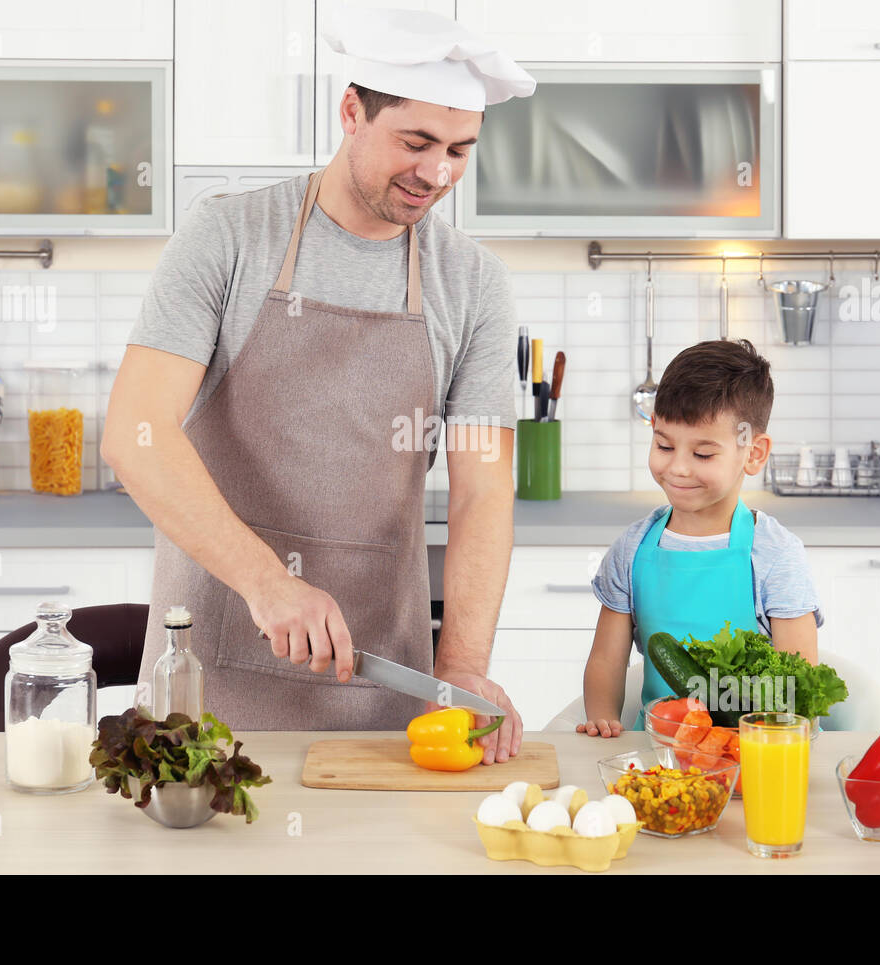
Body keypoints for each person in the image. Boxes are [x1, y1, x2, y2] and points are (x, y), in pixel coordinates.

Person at [102, 7, 534, 762]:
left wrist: (461, 669)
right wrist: (268, 583)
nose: (437, 173)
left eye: (460, 150)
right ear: (350, 113)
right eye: (416, 142)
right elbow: (137, 435)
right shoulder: (229, 236)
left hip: (385, 695)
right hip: (210, 683)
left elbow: (482, 491)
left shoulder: (474, 283)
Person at [578, 338, 824, 736]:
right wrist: (602, 719)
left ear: (754, 453)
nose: (677, 468)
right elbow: (607, 660)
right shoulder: (632, 548)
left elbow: (799, 684)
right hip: (660, 753)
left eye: (703, 454)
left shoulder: (776, 555)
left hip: (755, 751)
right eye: (664, 444)